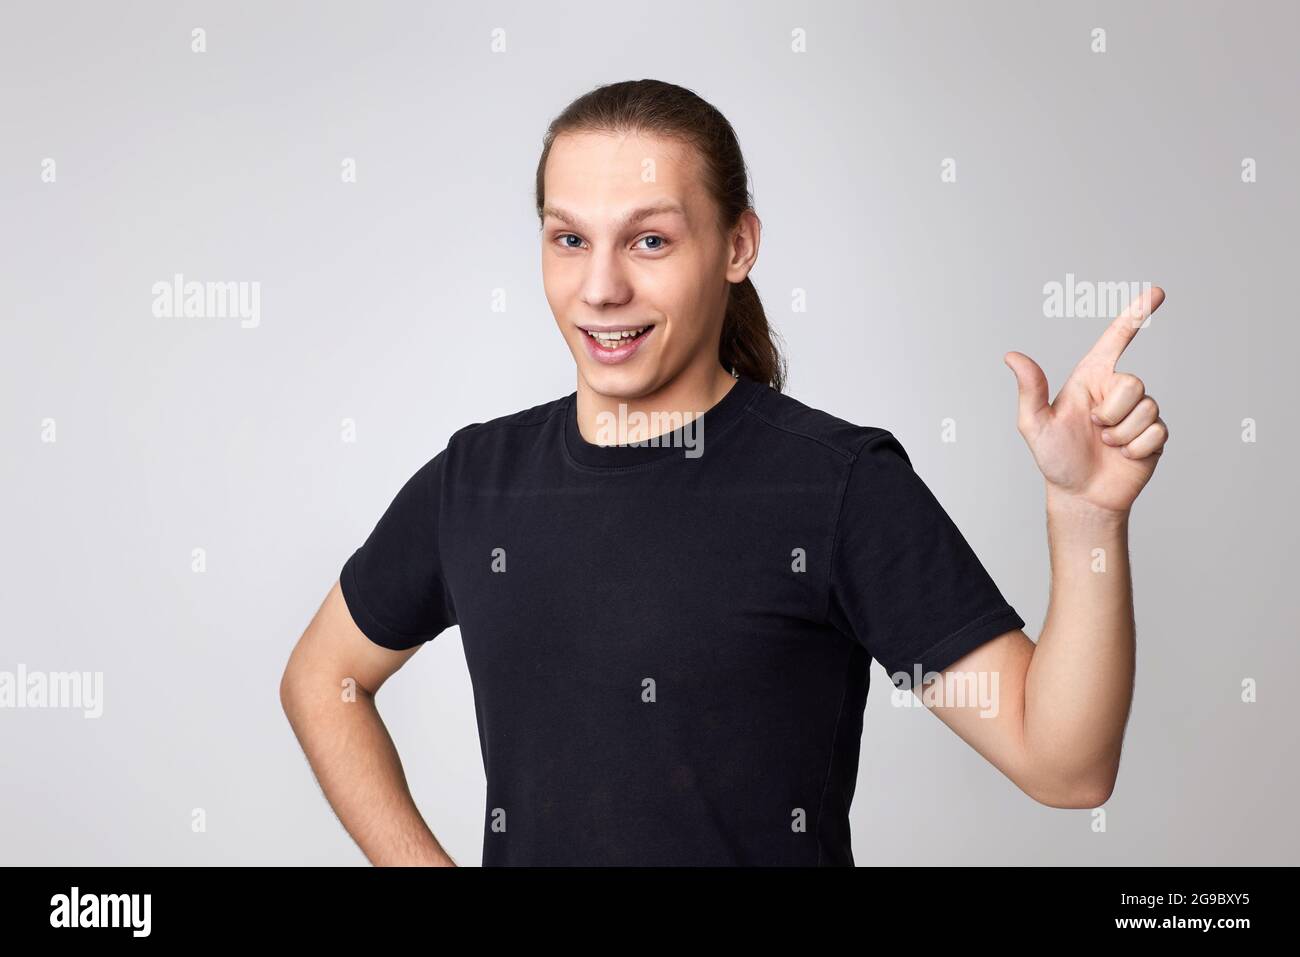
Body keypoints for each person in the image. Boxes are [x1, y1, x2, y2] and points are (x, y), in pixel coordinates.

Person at [279, 79, 1170, 867]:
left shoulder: (836, 486)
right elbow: (325, 678)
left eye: (651, 241)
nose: (600, 288)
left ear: (737, 246)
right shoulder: (475, 481)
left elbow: (1065, 766)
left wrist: (1086, 515)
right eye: (568, 239)